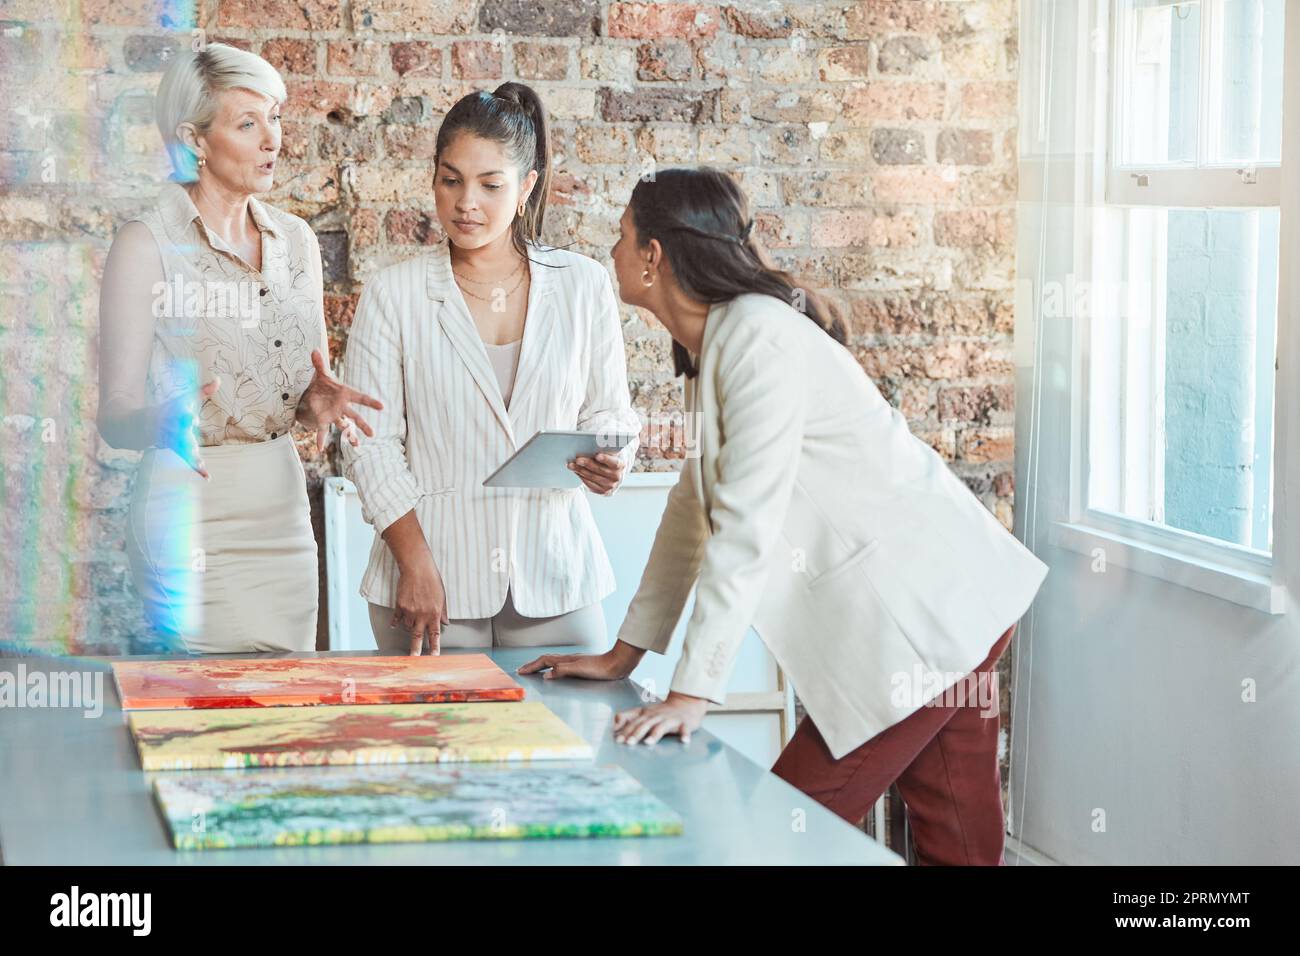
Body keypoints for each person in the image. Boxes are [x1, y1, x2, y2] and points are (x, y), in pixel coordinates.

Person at [520, 167, 1049, 865]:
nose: (612, 252)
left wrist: (691, 695)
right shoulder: (716, 346)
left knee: (782, 837)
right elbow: (692, 509)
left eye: (621, 237)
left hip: (928, 616)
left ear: (653, 257)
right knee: (960, 843)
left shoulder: (757, 339)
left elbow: (745, 527)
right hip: (942, 611)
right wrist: (627, 652)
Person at [97, 43, 381, 652]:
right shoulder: (146, 245)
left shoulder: (296, 241)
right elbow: (115, 417)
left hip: (281, 508)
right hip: (192, 506)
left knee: (284, 713)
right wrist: (161, 419)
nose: (272, 139)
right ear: (195, 139)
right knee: (210, 714)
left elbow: (297, 397)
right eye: (247, 123)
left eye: (274, 118)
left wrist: (317, 404)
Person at [340, 83, 641, 656]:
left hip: (555, 575)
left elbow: (610, 408)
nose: (465, 203)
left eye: (490, 184)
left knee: (572, 740)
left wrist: (613, 458)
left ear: (526, 187)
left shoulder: (583, 284)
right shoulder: (394, 294)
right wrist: (416, 562)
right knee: (443, 747)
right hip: (429, 585)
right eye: (450, 180)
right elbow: (370, 445)